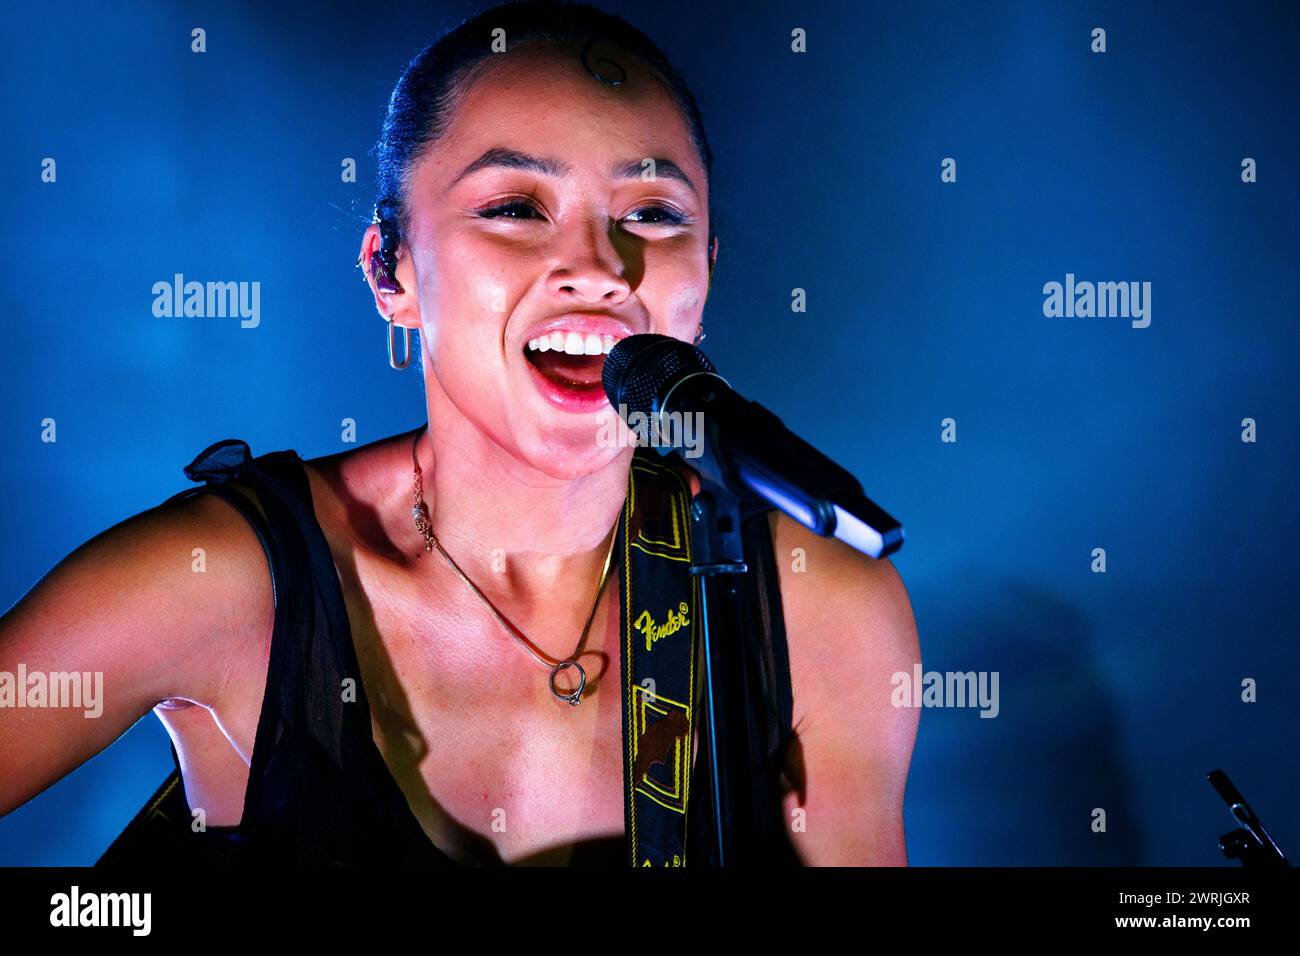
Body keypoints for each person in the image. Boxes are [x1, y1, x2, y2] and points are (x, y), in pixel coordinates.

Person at [0, 0, 919, 866]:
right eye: (516, 208)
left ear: (707, 270)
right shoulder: (221, 582)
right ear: (390, 269)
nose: (600, 268)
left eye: (651, 214)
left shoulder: (819, 604)